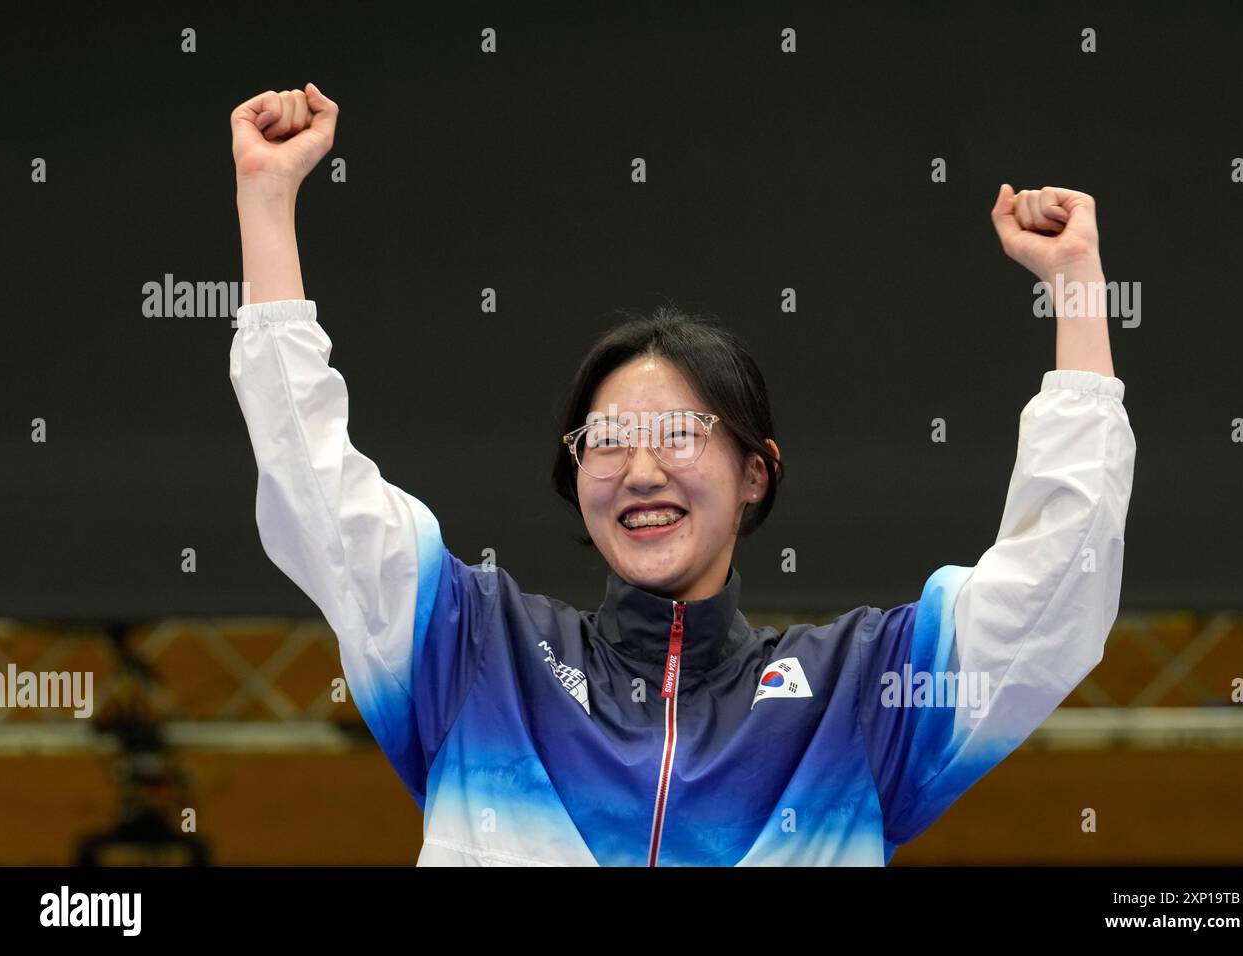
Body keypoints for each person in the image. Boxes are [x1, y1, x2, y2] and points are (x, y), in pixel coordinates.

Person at [228, 84, 1136, 866]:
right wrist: (267, 200)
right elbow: (316, 488)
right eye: (607, 439)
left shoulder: (860, 694)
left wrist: (1077, 287)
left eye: (677, 434)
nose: (640, 468)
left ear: (755, 473)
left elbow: (1056, 586)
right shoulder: (473, 648)